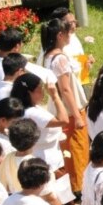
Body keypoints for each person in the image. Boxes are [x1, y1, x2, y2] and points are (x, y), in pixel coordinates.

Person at [38, 16, 88, 192]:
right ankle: (80, 187)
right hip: (70, 111)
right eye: (68, 33)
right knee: (77, 151)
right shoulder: (60, 59)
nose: (70, 36)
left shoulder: (48, 56)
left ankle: (74, 186)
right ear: (60, 35)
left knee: (68, 150)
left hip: (59, 109)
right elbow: (66, 89)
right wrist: (77, 115)